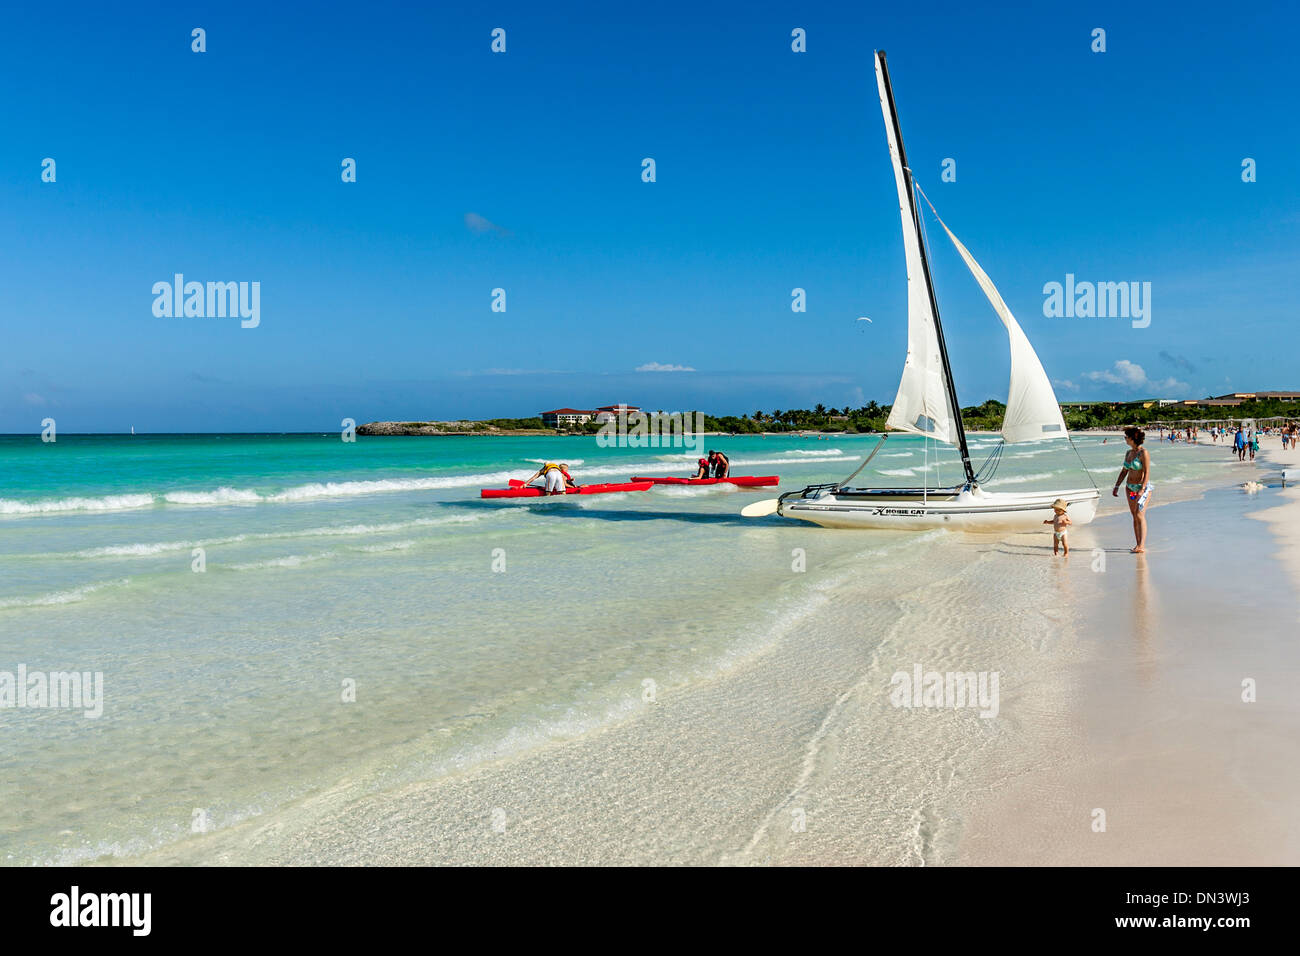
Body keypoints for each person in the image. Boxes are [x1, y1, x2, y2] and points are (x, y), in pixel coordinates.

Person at [1112, 426, 1152, 554]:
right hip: (1130, 489)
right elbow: (1124, 471)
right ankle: (1137, 544)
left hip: (1142, 489)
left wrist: (1142, 489)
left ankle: (1141, 545)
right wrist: (1117, 485)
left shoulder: (1143, 453)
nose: (1125, 439)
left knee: (1140, 514)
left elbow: (1146, 473)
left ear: (1132, 438)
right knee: (1134, 515)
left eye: (1126, 437)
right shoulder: (1128, 453)